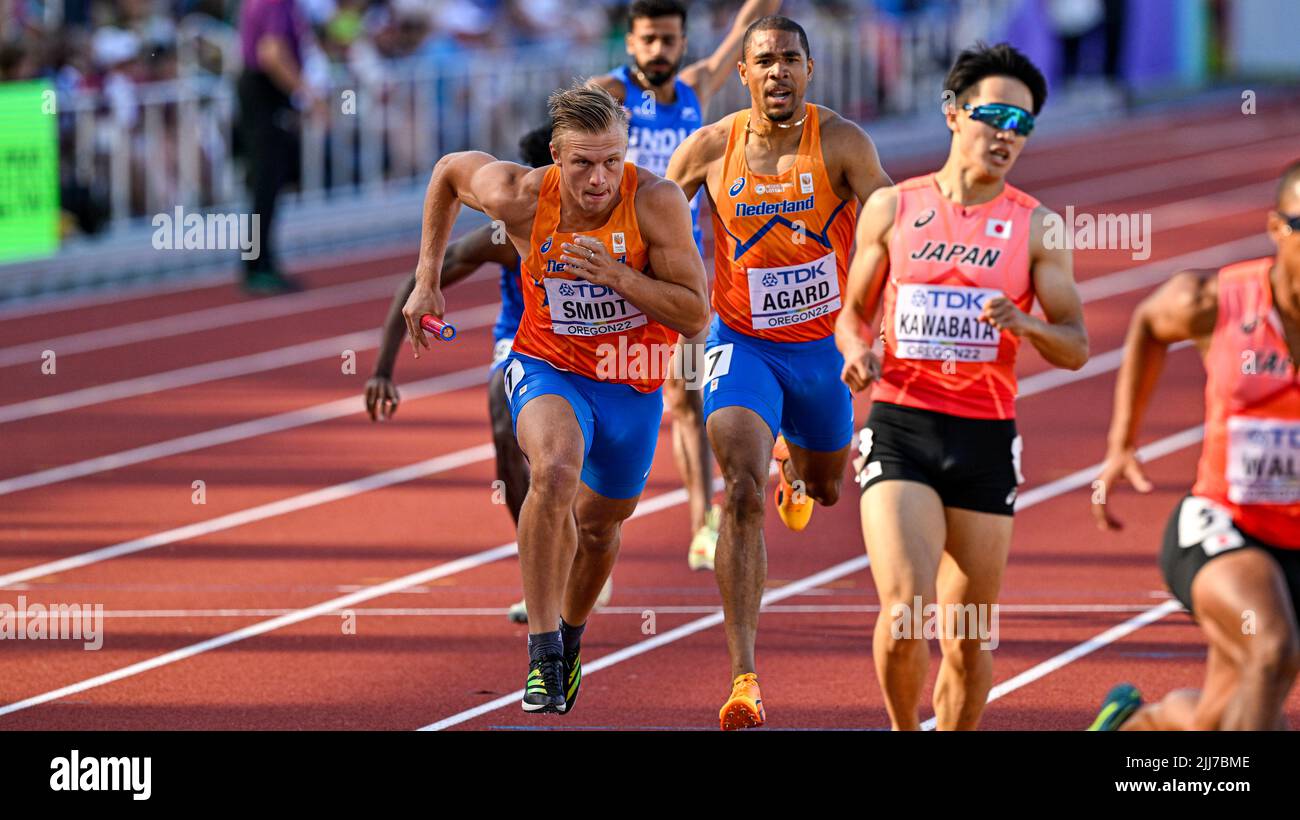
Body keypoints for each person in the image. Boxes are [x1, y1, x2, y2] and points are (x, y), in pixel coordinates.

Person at [402, 81, 709, 714]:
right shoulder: (518, 195)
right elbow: (446, 173)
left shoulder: (656, 202)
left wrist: (619, 276)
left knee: (600, 531)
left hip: (632, 378)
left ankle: (569, 639)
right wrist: (427, 280)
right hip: (548, 367)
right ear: (555, 156)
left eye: (612, 162)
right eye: (582, 164)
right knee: (556, 468)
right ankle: (543, 656)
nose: (599, 179)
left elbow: (694, 315)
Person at [835, 42, 1088, 731]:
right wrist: (856, 352)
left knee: (970, 636)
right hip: (902, 427)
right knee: (905, 609)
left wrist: (1026, 325)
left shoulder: (1038, 227)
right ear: (953, 113)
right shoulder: (892, 208)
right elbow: (852, 316)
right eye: (996, 115)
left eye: (1023, 123)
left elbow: (1077, 346)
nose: (1008, 134)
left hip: (983, 438)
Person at [667, 15, 892, 729]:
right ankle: (744, 679)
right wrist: (670, 319)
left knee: (828, 491)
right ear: (743, 74)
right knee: (739, 485)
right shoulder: (707, 149)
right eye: (764, 62)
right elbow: (655, 226)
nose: (778, 73)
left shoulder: (844, 144)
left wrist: (876, 325)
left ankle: (798, 462)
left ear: (810, 69)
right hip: (744, 344)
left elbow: (889, 223)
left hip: (825, 350)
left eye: (791, 60)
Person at [364, 122, 612, 624]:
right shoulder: (507, 230)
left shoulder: (609, 215)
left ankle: (580, 550)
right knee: (506, 428)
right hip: (521, 344)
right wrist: (382, 371)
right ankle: (545, 568)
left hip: (590, 344)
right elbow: (416, 284)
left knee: (583, 469)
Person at [1087, 160, 1300, 731]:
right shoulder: (1217, 300)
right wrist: (1121, 443)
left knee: (1222, 724)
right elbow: (1149, 325)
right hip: (1221, 526)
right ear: (1278, 228)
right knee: (1273, 650)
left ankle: (1135, 726)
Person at [591, 0, 781, 571]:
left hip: (683, 274)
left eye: (668, 40)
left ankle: (703, 523)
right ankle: (589, 534)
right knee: (605, 402)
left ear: (682, 41)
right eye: (648, 40)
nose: (658, 51)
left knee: (687, 396)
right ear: (630, 43)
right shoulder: (611, 94)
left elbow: (741, 34)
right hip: (616, 277)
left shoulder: (697, 86)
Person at [237, 0, 317, 294]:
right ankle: (257, 265)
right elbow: (271, 53)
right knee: (265, 183)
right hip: (264, 91)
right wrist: (305, 93)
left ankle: (261, 261)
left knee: (269, 182)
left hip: (265, 91)